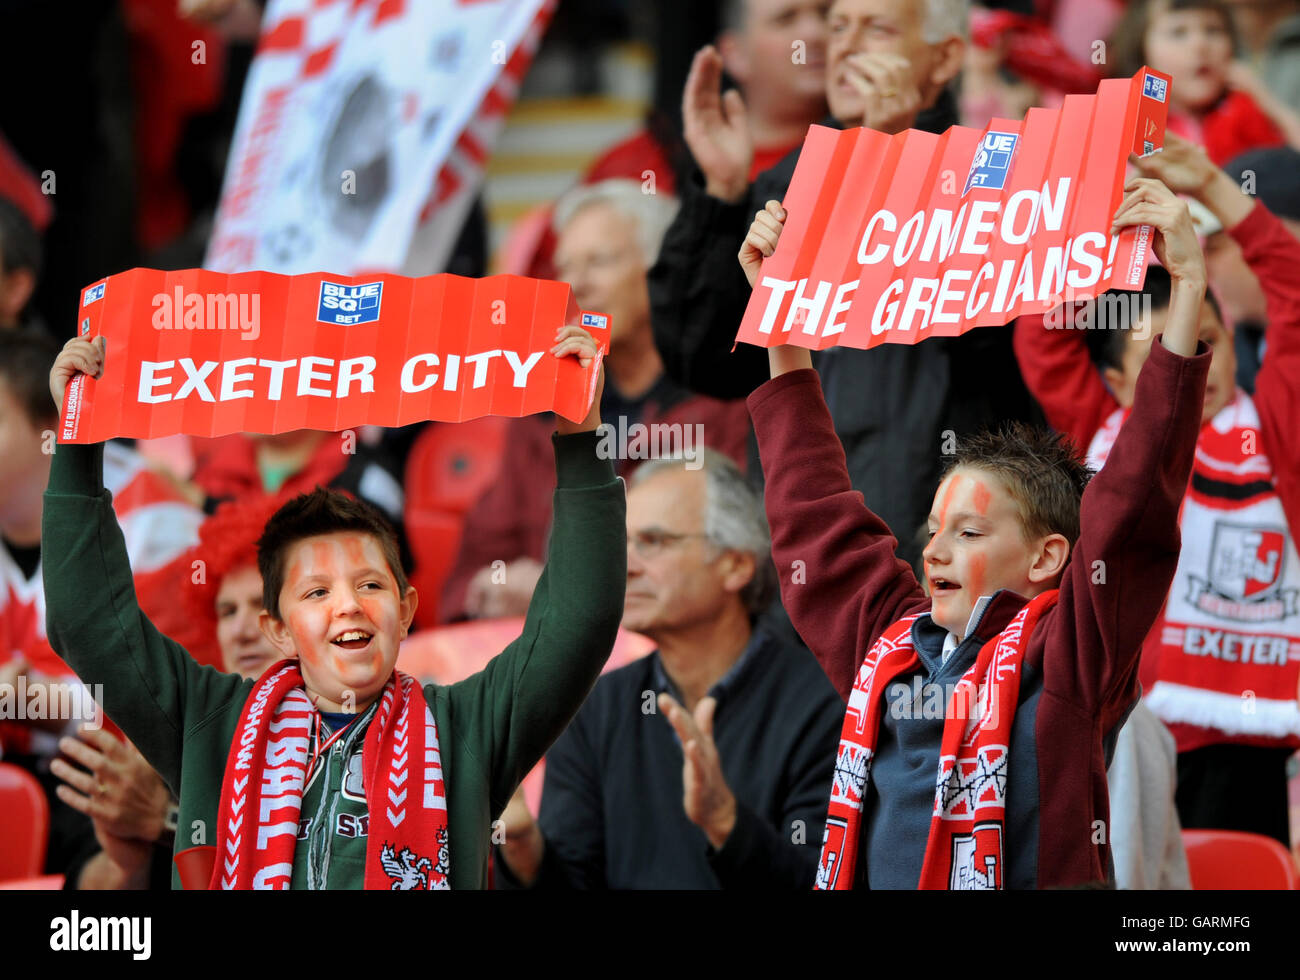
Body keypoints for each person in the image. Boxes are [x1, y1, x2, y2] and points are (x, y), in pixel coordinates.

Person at [736, 172, 1211, 887]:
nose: (932, 551)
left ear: (1051, 556)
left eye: (969, 533)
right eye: (933, 530)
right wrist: (779, 324)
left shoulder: (1073, 655)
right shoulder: (888, 647)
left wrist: (1188, 288)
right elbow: (815, 513)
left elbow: (1133, 508)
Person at [42, 324, 627, 889]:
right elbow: (87, 619)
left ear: (406, 610)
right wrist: (76, 441)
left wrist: (580, 438)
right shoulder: (210, 721)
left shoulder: (467, 727)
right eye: (317, 592)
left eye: (370, 586)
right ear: (278, 629)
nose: (348, 605)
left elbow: (580, 619)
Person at [651, 0, 1038, 572]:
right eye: (838, 27)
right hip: (805, 563)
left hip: (947, 567)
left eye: (877, 28)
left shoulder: (1001, 173)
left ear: (944, 58)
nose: (847, 46)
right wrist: (720, 195)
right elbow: (706, 361)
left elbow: (998, 352)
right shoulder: (786, 180)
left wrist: (896, 160)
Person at [1013, 134, 1300, 845]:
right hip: (1126, 729)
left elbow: (1293, 291)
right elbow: (1043, 336)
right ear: (1116, 383)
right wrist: (1082, 227)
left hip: (1255, 746)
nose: (1192, 368)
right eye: (1163, 356)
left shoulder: (1279, 427)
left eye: (1207, 343)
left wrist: (1213, 185)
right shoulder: (1102, 432)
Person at [494, 451, 842, 889]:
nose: (627, 565)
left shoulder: (825, 703)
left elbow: (823, 880)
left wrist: (725, 823)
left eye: (653, 542)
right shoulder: (591, 708)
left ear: (736, 564)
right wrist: (523, 847)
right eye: (622, 543)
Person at [441, 180, 751, 621]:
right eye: (564, 267)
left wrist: (562, 592)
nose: (576, 285)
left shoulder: (726, 403)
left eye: (599, 262)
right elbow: (471, 569)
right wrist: (489, 589)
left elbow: (740, 563)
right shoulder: (538, 412)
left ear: (663, 270)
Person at [1110, 0, 1300, 164]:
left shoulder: (1244, 110)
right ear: (1141, 50)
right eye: (1178, 32)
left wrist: (1262, 96)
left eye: (1213, 30)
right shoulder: (1128, 119)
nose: (1200, 45)